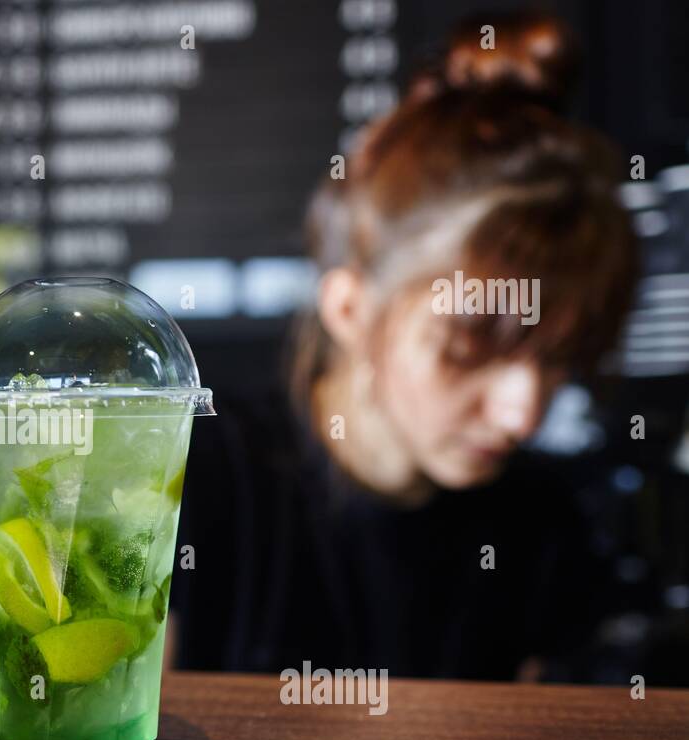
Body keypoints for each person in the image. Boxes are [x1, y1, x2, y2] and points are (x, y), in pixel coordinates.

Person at [173, 13, 638, 681]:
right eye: (471, 348)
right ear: (352, 311)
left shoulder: (541, 532)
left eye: (560, 356)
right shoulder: (196, 482)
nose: (523, 414)